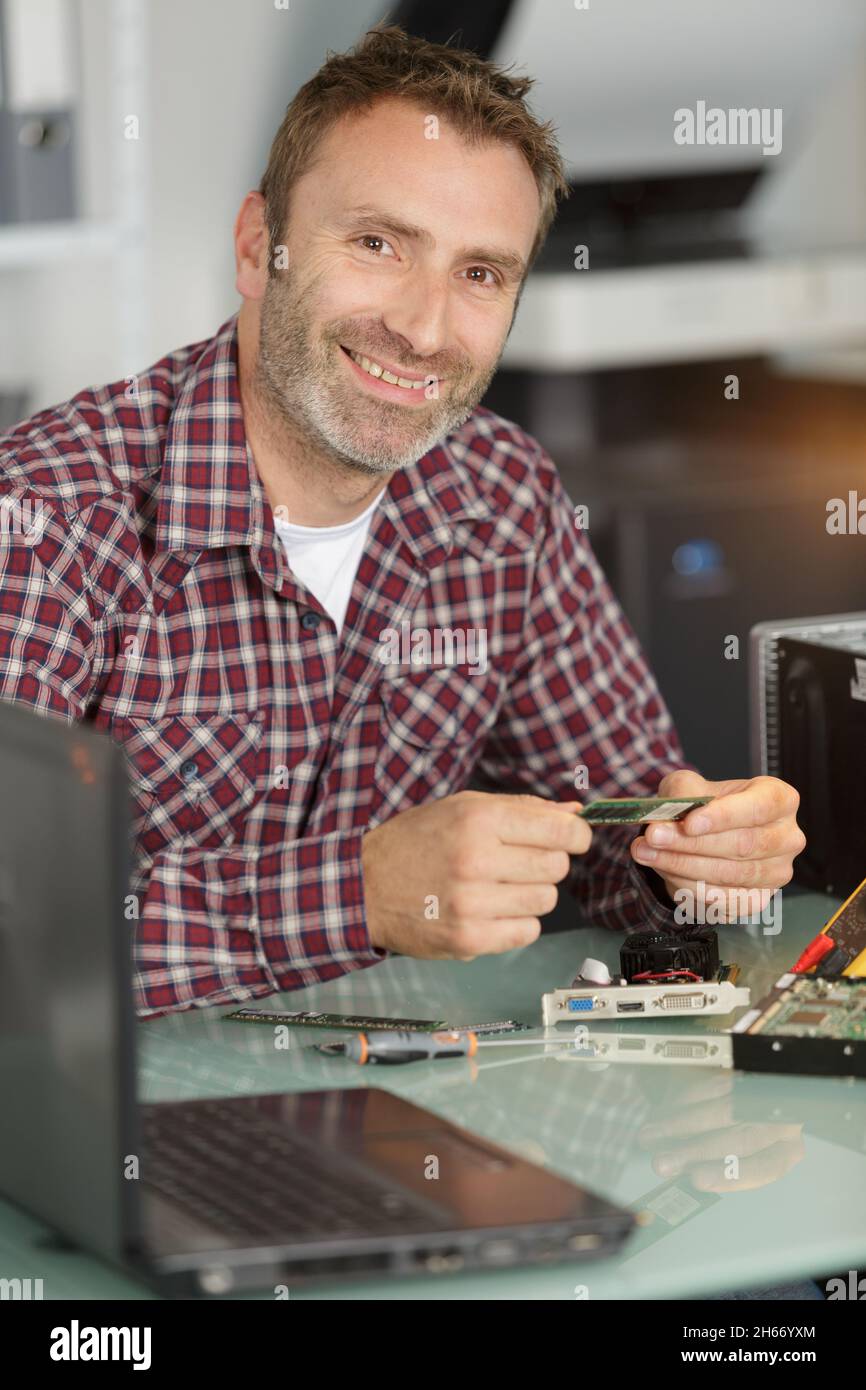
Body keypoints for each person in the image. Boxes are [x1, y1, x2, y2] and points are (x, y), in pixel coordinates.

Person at [0, 26, 804, 1018]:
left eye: (479, 275)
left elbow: (610, 852)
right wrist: (357, 894)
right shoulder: (48, 520)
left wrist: (694, 858)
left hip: (390, 1115)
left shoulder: (503, 500)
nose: (424, 328)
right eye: (379, 244)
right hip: (104, 1144)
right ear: (260, 247)